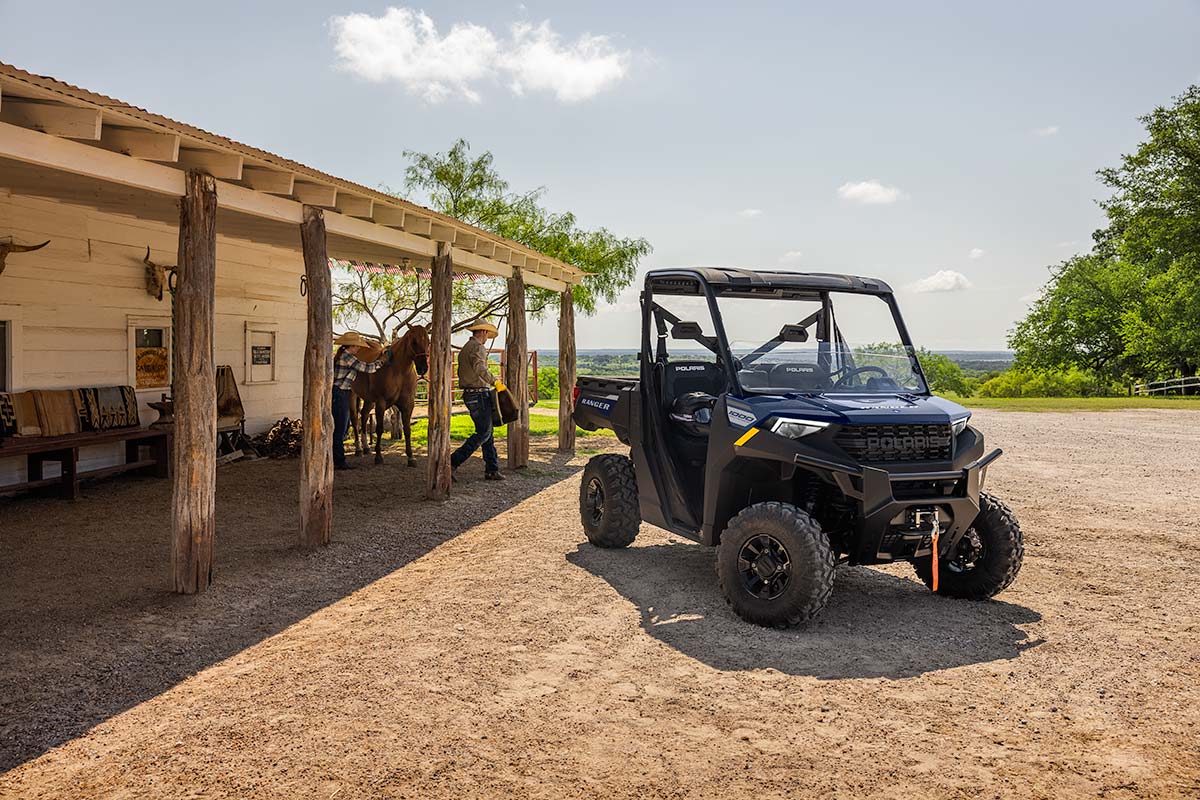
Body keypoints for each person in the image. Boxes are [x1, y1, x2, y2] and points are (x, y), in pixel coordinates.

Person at [451, 321, 505, 481]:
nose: (487, 337)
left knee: (487, 431)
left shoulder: (467, 347)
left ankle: (492, 468)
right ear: (482, 332)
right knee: (484, 432)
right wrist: (495, 381)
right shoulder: (478, 347)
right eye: (487, 334)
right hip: (478, 394)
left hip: (472, 394)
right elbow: (480, 368)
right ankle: (452, 462)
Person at [332, 331, 390, 471]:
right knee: (341, 428)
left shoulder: (343, 355)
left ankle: (337, 458)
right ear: (351, 346)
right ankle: (339, 460)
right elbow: (366, 368)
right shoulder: (348, 357)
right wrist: (381, 361)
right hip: (340, 393)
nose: (359, 348)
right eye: (357, 346)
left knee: (342, 427)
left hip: (340, 392)